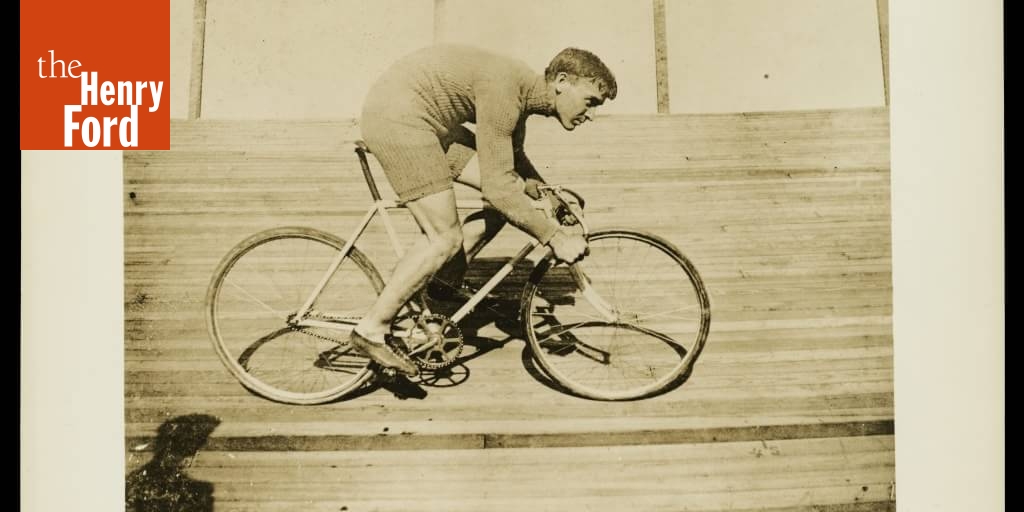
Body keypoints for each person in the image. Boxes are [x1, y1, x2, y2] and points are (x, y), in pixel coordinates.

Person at [351, 43, 618, 376]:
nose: (591, 114)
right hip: (400, 121)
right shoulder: (507, 92)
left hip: (427, 121)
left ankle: (443, 285)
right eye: (590, 102)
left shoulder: (522, 92)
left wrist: (549, 196)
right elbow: (498, 185)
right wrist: (555, 237)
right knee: (444, 238)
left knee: (508, 199)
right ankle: (372, 328)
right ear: (561, 81)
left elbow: (512, 164)